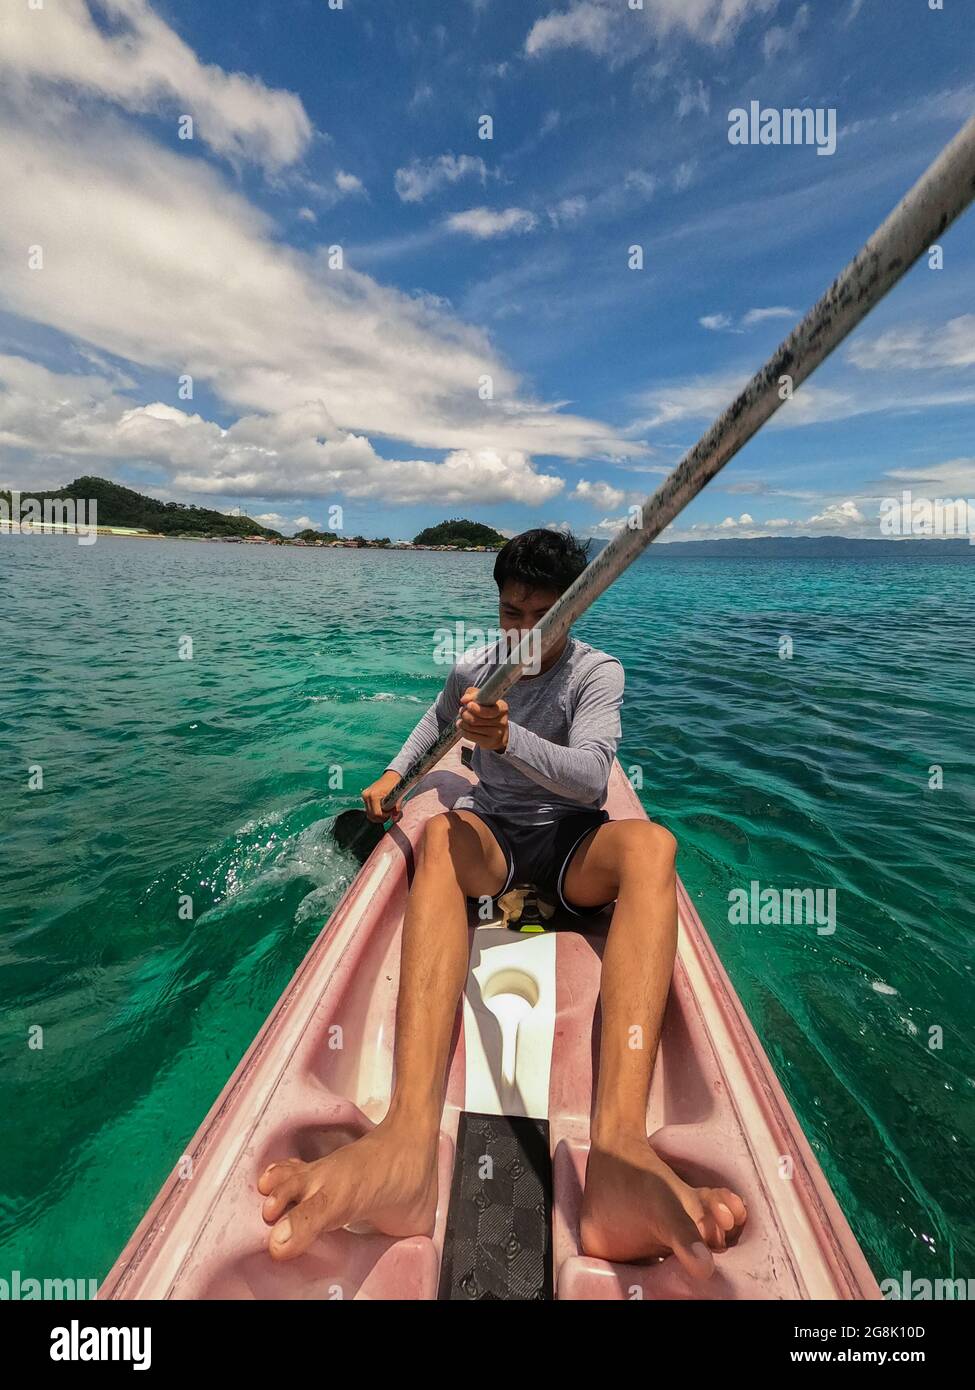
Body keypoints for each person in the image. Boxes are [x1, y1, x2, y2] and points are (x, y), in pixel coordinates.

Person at [258, 528, 745, 1278]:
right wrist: (395, 774)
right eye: (510, 610)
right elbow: (435, 720)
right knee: (445, 834)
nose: (521, 630)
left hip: (572, 850)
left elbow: (589, 780)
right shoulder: (475, 669)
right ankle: (407, 1142)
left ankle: (619, 1149)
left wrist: (510, 737)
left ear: (572, 609)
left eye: (540, 614)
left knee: (651, 846)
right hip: (498, 844)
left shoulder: (597, 674)